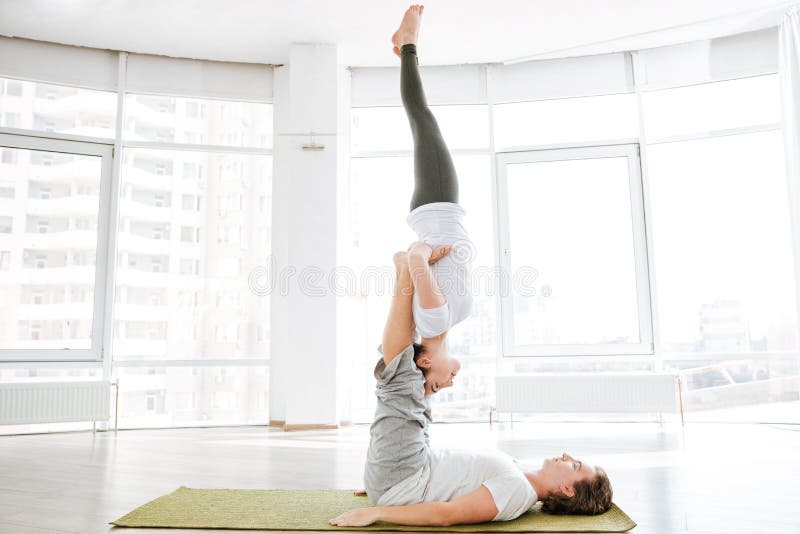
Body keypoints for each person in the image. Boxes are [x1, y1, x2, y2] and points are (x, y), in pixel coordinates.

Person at [328, 250, 613, 527]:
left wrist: (380, 511)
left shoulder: (516, 493)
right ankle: (409, 270)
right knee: (416, 377)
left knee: (403, 382)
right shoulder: (520, 473)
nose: (567, 456)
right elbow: (452, 478)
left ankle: (406, 272)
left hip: (403, 477)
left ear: (567, 490)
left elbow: (446, 515)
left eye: (575, 466)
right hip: (406, 471)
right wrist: (386, 482)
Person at [390, 2, 474, 393]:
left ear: (424, 361)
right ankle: (406, 48)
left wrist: (424, 255)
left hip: (437, 208)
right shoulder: (440, 322)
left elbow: (415, 256)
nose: (449, 383)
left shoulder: (433, 323)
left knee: (422, 118)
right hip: (437, 211)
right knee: (423, 122)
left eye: (437, 384)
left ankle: (408, 45)